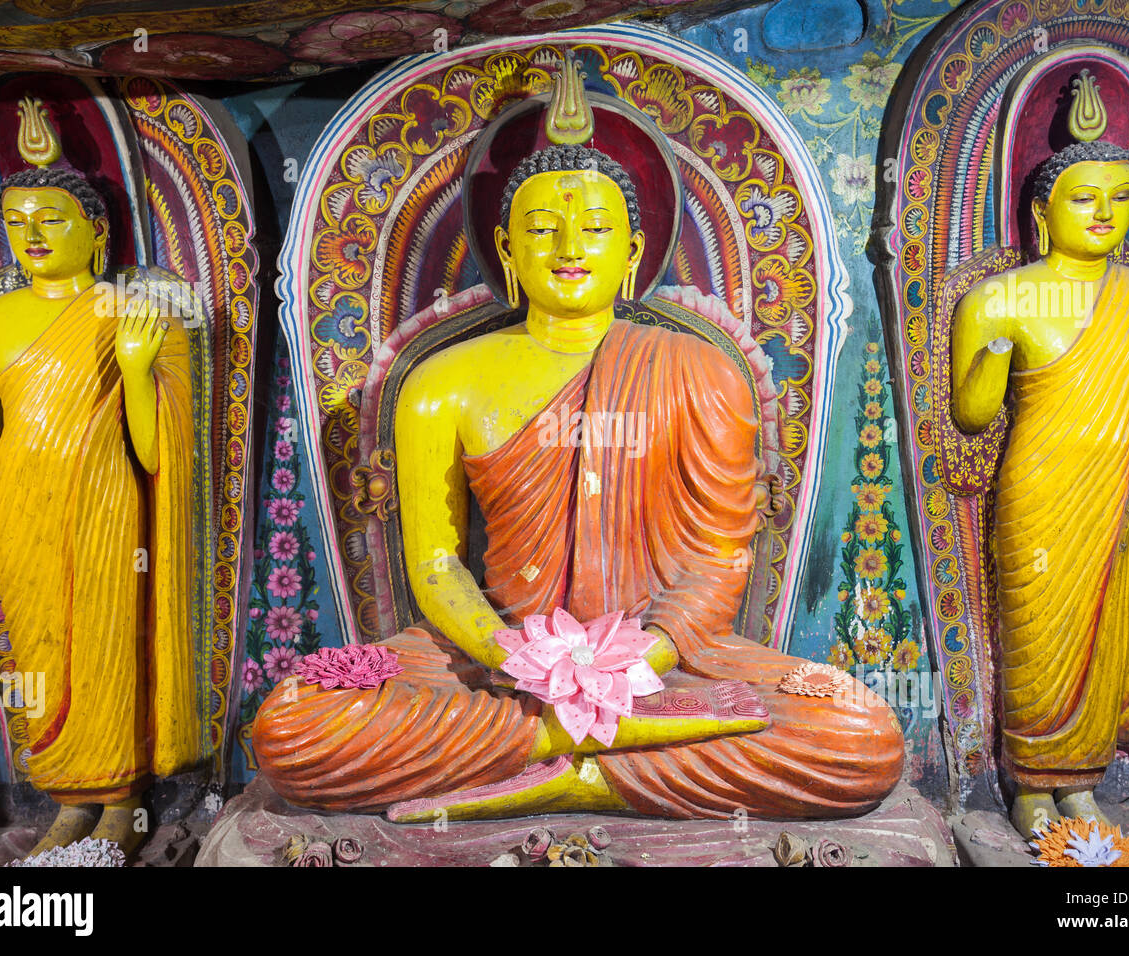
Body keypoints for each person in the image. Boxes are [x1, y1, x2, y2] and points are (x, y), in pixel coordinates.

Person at [252, 65, 903, 820]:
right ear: (505, 248)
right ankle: (597, 743)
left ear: (632, 252)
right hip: (497, 667)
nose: (569, 245)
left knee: (860, 736)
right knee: (295, 723)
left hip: (667, 670)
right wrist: (511, 657)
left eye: (596, 228)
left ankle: (572, 773)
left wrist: (636, 664)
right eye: (542, 228)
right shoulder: (441, 383)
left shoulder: (700, 372)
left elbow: (721, 560)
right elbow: (434, 563)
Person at [950, 122, 1129, 836]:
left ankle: (1081, 784)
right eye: (1084, 200)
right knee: (1037, 635)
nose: (1105, 213)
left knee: (1104, 636)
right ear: (1043, 214)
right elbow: (973, 414)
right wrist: (993, 358)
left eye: (1122, 197)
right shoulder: (1001, 296)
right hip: (1039, 491)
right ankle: (1031, 785)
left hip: (1121, 493)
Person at [0, 98, 198, 855]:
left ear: (96, 229)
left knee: (106, 640)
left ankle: (117, 795)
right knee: (40, 647)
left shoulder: (125, 311)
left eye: (51, 219)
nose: (32, 236)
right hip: (18, 499)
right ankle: (65, 792)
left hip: (106, 499)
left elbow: (155, 455)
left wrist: (136, 369)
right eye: (16, 223)